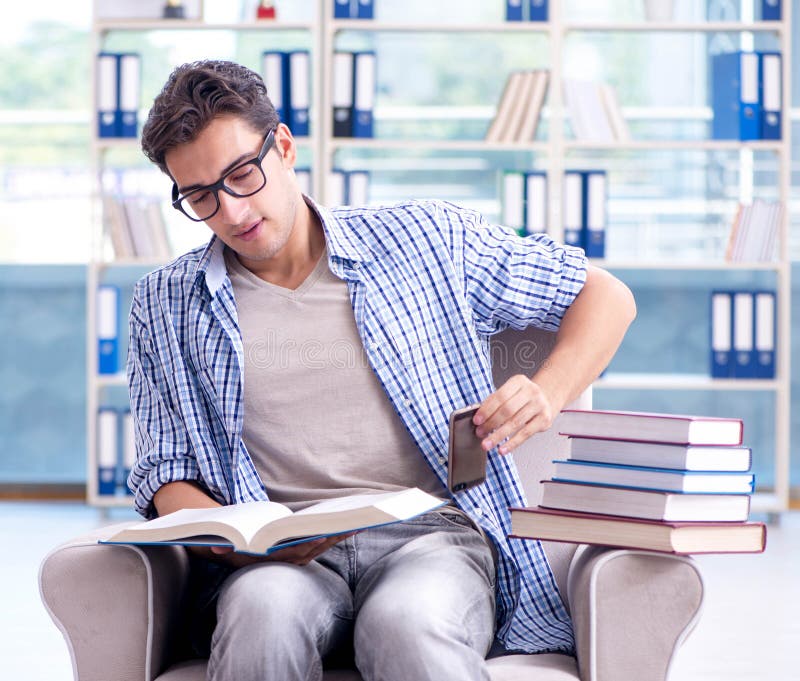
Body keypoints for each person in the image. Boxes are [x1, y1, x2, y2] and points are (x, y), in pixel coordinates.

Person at [129, 59, 636, 681]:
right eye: (201, 196)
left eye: (242, 174)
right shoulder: (164, 303)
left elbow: (605, 294)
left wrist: (549, 389)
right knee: (262, 613)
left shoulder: (424, 238)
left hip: (432, 538)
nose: (232, 212)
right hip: (279, 562)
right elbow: (166, 473)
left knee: (406, 622)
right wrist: (241, 545)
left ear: (283, 147)